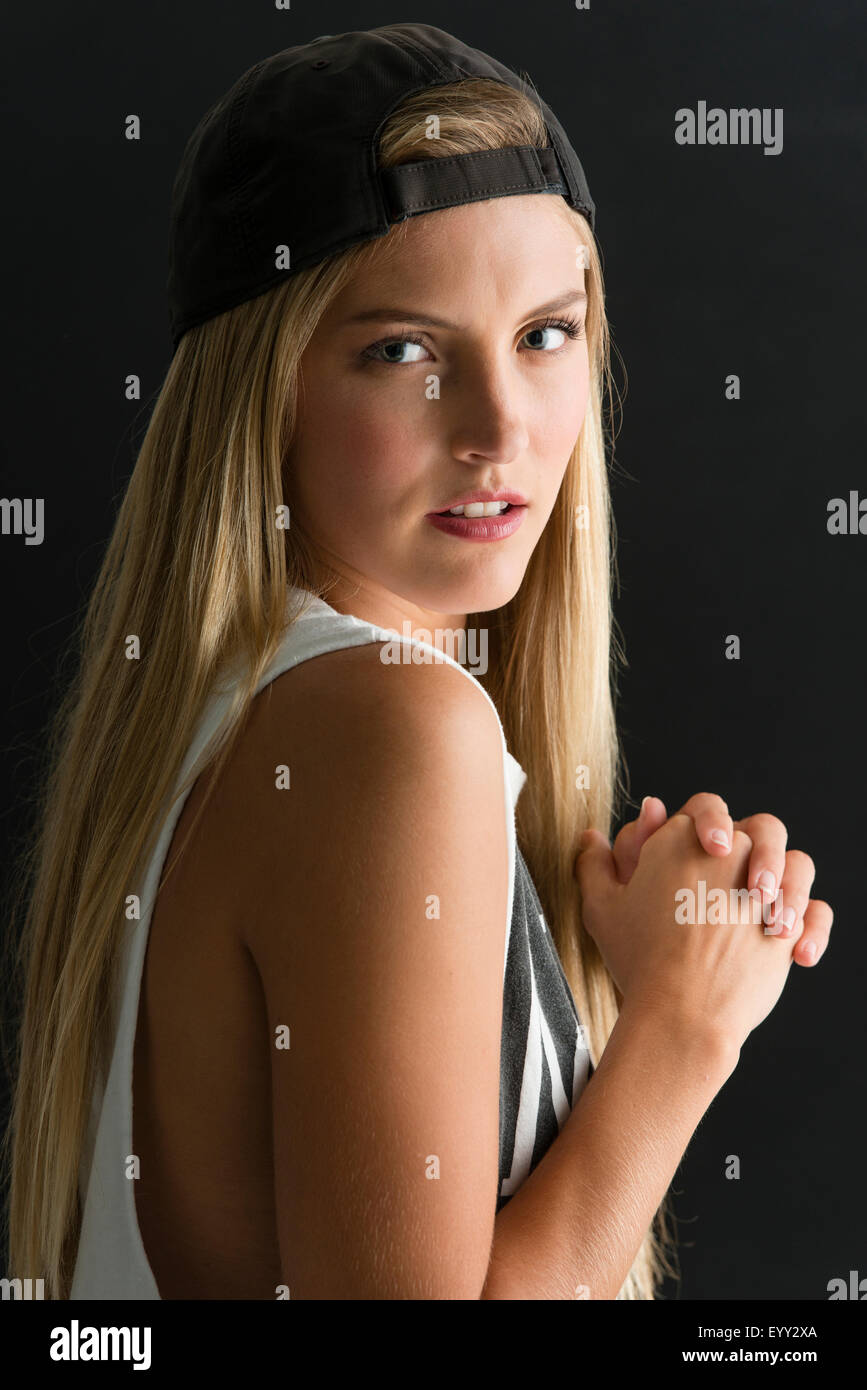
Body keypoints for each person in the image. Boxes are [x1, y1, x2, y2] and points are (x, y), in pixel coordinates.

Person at [2, 23, 832, 1301]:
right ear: (259, 391)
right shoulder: (390, 726)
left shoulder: (233, 710)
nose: (502, 427)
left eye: (547, 335)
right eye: (404, 352)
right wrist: (684, 1027)